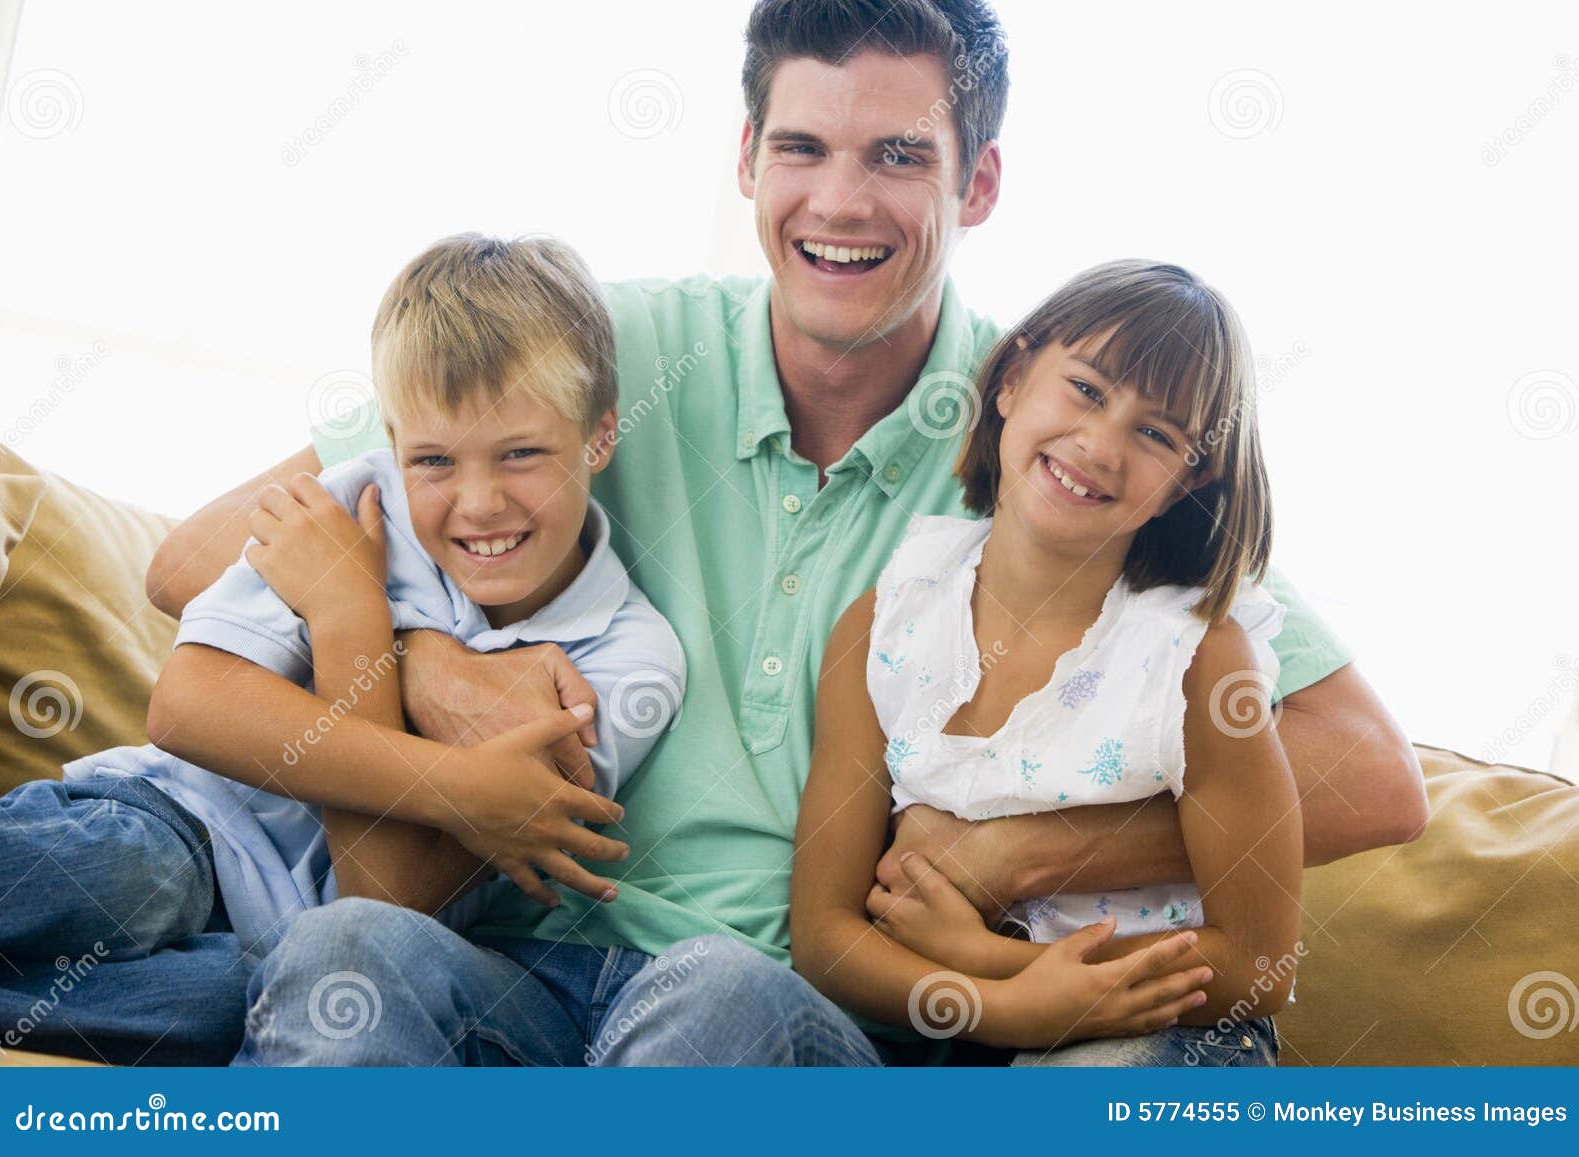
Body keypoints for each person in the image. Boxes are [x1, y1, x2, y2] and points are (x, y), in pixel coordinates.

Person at [147, 0, 1425, 1066]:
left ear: (978, 182)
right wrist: (435, 664)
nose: (841, 201)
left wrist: (1017, 848)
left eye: (899, 157)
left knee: (714, 996)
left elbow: (1367, 768)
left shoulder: (1049, 438)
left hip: (787, 1006)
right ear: (746, 158)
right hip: (512, 958)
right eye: (803, 147)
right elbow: (199, 554)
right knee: (340, 950)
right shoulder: (609, 351)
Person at [0, 234, 684, 1065]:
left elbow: (381, 895)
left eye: (521, 454)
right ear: (394, 445)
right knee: (145, 880)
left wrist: (353, 621)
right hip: (183, 824)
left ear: (601, 436)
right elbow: (184, 706)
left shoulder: (627, 656)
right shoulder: (359, 501)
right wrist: (455, 776)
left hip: (277, 943)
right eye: (433, 458)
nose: (478, 503)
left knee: (262, 1004)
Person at [792, 259, 1301, 1066]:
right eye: (1088, 390)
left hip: (1159, 1036)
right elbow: (825, 938)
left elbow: (1263, 964)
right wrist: (1002, 1004)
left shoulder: (1198, 656)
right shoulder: (886, 618)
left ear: (1185, 482)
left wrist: (1001, 966)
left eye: (1156, 434)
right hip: (954, 1039)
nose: (1100, 445)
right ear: (1014, 380)